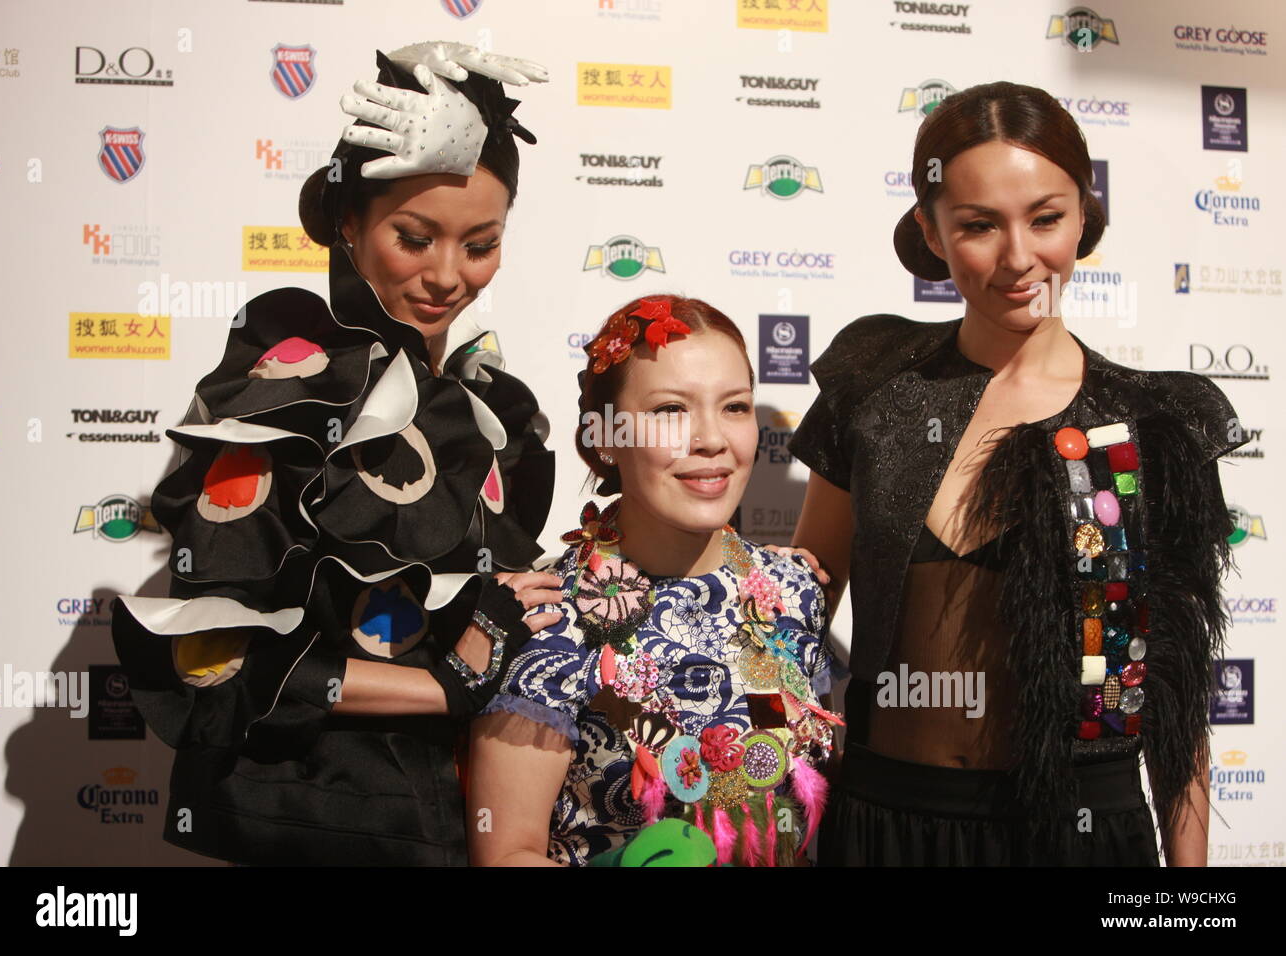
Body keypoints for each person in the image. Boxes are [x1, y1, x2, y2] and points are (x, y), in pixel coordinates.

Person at [111, 42, 561, 866]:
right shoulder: (284, 395)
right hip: (303, 824)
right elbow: (215, 657)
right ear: (348, 226)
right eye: (414, 237)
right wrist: (444, 683)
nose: (447, 276)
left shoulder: (492, 413)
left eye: (480, 243)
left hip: (449, 827)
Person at [788, 81, 1244, 866]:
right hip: (880, 823)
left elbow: (1173, 695)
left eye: (1045, 219)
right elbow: (794, 619)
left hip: (1079, 831)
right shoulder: (873, 387)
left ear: (1084, 217)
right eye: (977, 226)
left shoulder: (1154, 422)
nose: (1019, 258)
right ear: (931, 232)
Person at [466, 295, 839, 866]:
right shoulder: (544, 619)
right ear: (606, 436)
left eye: (735, 407)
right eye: (671, 410)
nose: (711, 439)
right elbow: (506, 854)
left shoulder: (793, 591)